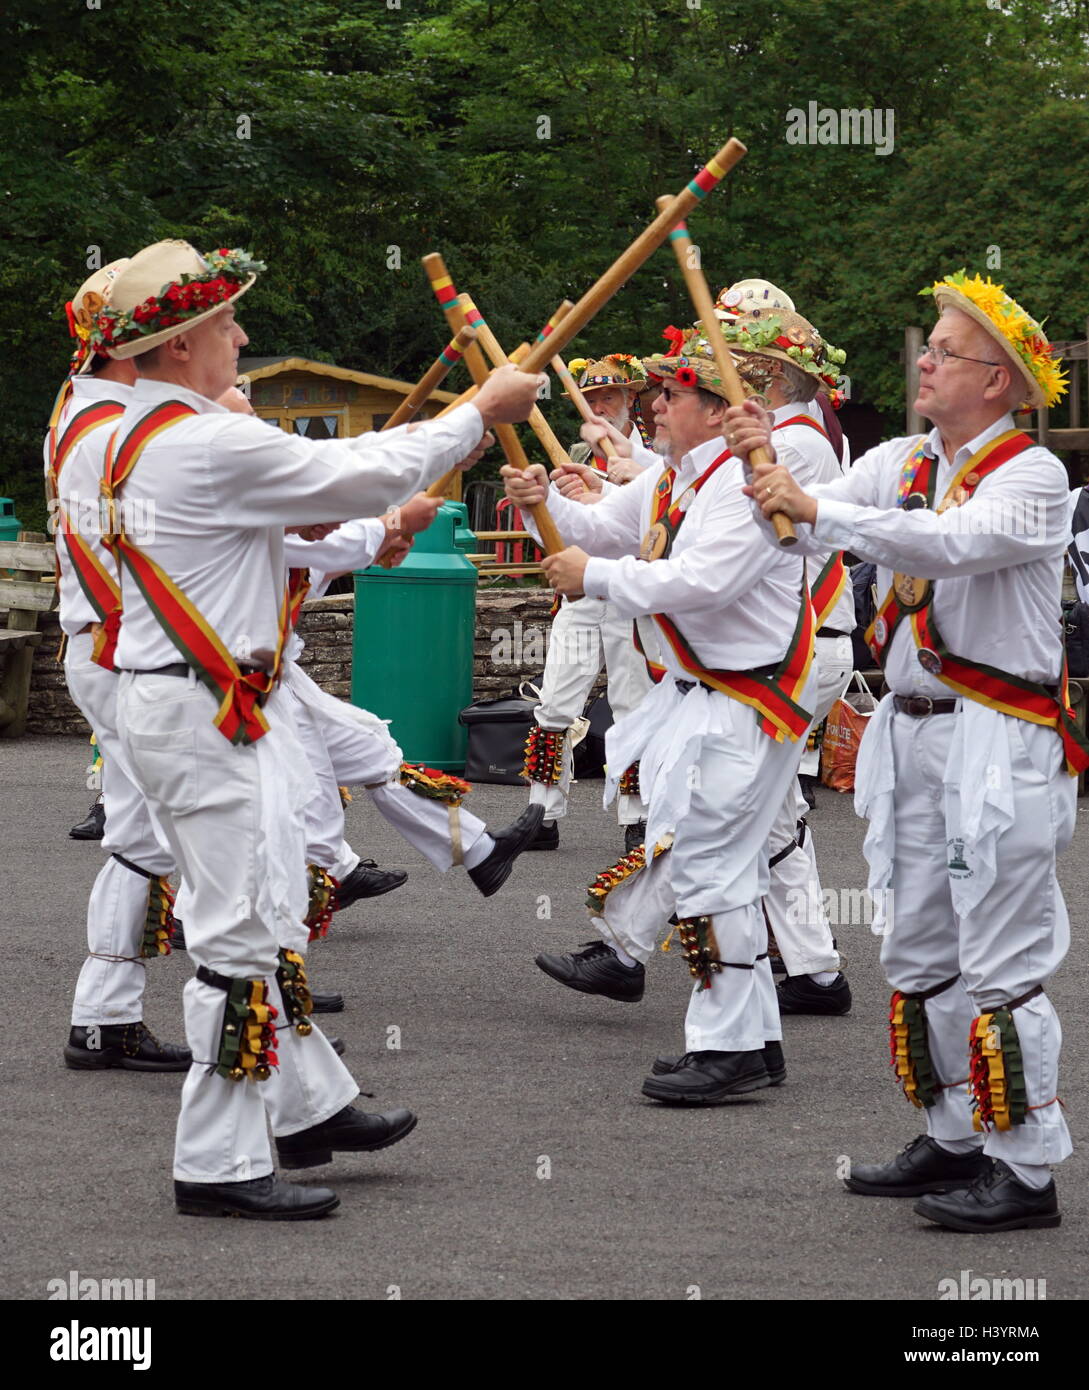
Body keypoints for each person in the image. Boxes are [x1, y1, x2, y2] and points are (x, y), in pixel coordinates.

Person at [86, 238, 544, 1219]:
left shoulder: (126, 433)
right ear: (174, 348)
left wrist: (386, 500)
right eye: (223, 325)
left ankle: (298, 1110)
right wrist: (480, 414)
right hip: (207, 711)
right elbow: (357, 471)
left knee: (251, 919)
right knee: (241, 938)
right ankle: (217, 1162)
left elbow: (326, 500)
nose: (241, 337)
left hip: (181, 700)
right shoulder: (200, 441)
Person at [739, 270, 1083, 1231]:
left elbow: (943, 546)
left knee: (1003, 958)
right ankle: (951, 1134)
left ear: (999, 383)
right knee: (919, 948)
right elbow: (799, 534)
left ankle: (1025, 1171)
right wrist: (753, 467)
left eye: (944, 352)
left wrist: (813, 512)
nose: (923, 362)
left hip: (998, 740)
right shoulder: (897, 460)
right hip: (909, 731)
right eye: (926, 346)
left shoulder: (1031, 476)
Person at [505, 325, 825, 1104]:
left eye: (672, 393)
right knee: (726, 871)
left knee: (713, 873)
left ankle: (727, 1050)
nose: (653, 405)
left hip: (743, 699)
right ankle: (755, 1042)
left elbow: (702, 580)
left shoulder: (745, 481)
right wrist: (539, 504)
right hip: (699, 696)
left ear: (717, 411)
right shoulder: (675, 479)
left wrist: (597, 577)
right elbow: (599, 528)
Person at [47, 259, 191, 1072]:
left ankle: (104, 1016)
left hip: (108, 648)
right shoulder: (115, 430)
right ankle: (263, 1020)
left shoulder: (83, 408)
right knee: (195, 831)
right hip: (124, 651)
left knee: (143, 833)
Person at [521, 354, 654, 853]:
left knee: (632, 706)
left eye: (609, 398)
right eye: (592, 399)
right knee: (554, 703)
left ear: (630, 400)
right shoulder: (572, 458)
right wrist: (550, 501)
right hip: (579, 595)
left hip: (630, 592)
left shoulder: (648, 458)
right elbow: (561, 529)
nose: (600, 407)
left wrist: (618, 482)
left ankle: (637, 816)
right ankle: (542, 812)